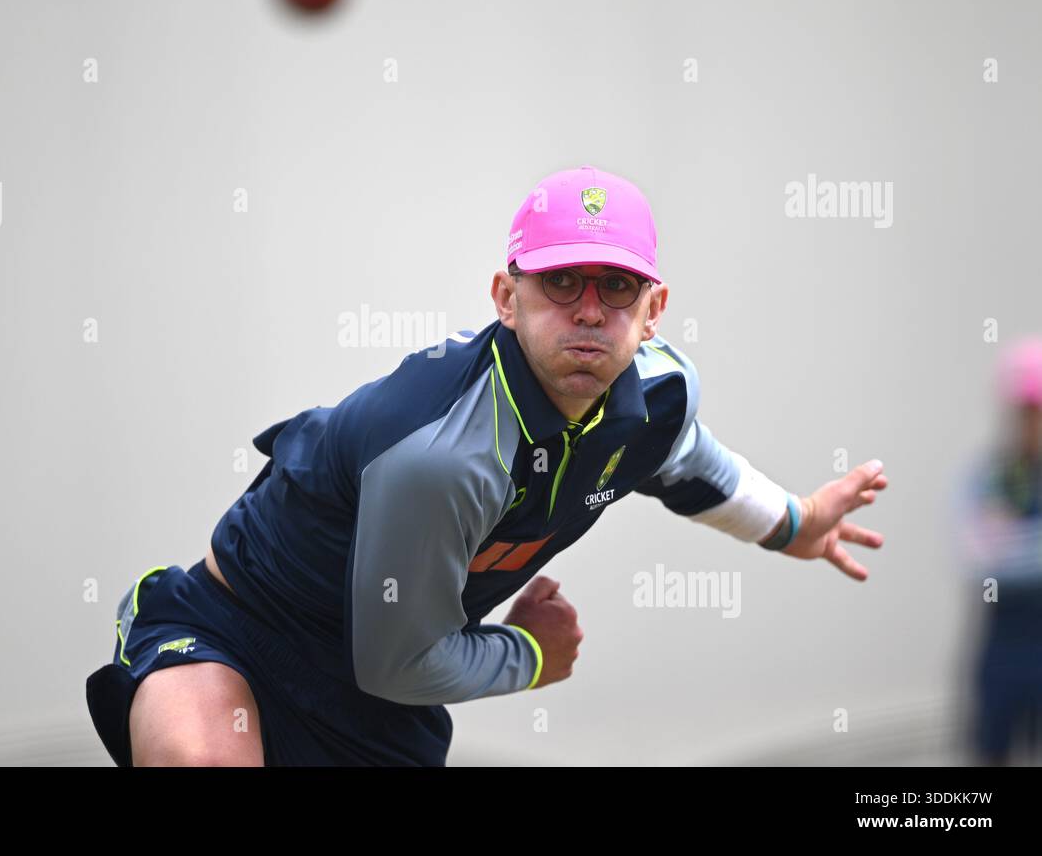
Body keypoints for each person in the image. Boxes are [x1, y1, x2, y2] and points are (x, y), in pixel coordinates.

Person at [86, 165, 889, 766]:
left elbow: (691, 468)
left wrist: (796, 523)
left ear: (654, 311)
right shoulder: (445, 455)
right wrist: (534, 657)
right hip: (239, 629)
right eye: (560, 281)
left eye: (616, 287)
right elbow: (402, 662)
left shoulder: (659, 395)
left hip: (376, 699)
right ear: (506, 297)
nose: (587, 309)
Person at [957, 337, 1042, 764]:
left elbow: (999, 554)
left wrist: (1012, 544)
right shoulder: (993, 475)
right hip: (1001, 651)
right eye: (1026, 414)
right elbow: (978, 560)